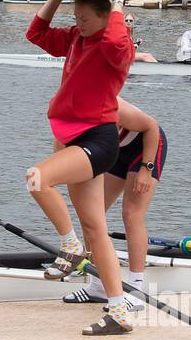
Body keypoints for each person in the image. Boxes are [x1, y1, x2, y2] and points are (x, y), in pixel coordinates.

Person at [26, 0, 146, 335]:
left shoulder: (114, 48)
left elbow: (117, 42)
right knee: (96, 226)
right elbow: (36, 33)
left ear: (106, 19)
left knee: (37, 178)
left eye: (86, 19)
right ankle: (119, 309)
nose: (78, 24)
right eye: (75, 17)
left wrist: (120, 2)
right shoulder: (77, 39)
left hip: (97, 139)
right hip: (71, 137)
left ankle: (71, 246)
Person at [60, 99, 167, 310]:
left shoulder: (108, 104)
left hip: (146, 147)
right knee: (90, 215)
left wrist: (146, 169)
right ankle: (98, 285)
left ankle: (136, 291)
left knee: (131, 215)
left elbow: (151, 127)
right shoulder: (64, 121)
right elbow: (63, 160)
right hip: (113, 150)